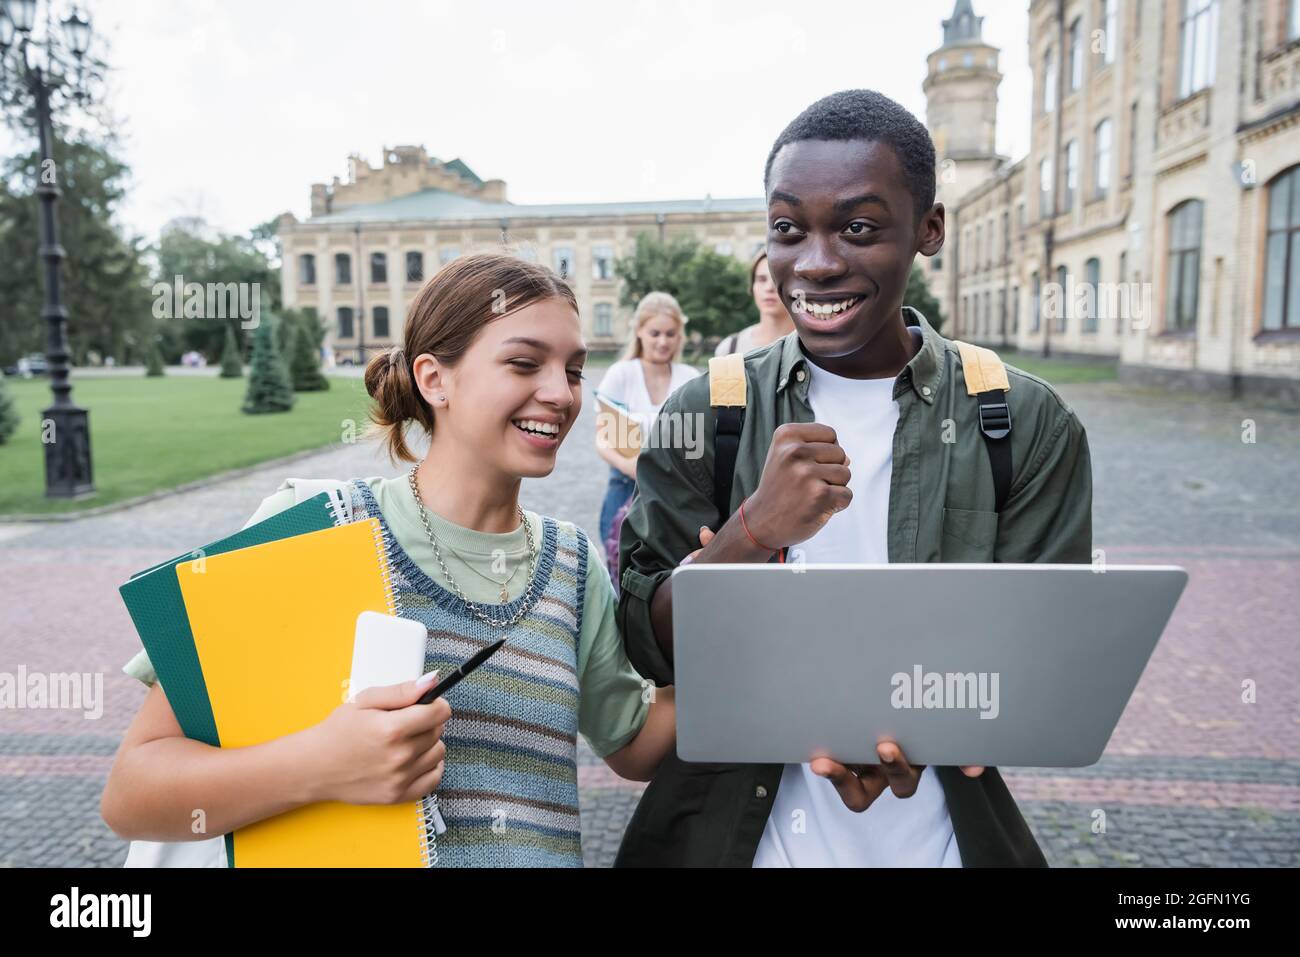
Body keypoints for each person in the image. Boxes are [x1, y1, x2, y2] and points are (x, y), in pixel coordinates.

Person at [614, 89, 1093, 867]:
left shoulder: (1024, 423)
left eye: (859, 227)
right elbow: (646, 642)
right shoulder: (710, 409)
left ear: (929, 228)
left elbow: (1039, 665)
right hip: (738, 837)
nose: (816, 261)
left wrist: (917, 728)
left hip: (939, 840)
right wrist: (752, 530)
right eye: (786, 228)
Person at [101, 252, 677, 867]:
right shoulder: (312, 526)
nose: (560, 394)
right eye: (523, 363)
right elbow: (134, 792)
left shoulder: (573, 562)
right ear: (434, 379)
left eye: (575, 370)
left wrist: (731, 599)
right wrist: (322, 765)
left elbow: (634, 746)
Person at [594, 292, 700, 581]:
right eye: (655, 333)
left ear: (680, 336)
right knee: (621, 576)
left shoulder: (688, 376)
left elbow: (696, 445)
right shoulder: (621, 374)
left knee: (671, 577)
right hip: (625, 487)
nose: (663, 341)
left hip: (675, 492)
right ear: (639, 331)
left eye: (671, 334)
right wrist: (639, 469)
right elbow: (603, 439)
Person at [714, 251, 795, 357]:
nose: (769, 288)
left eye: (777, 279)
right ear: (752, 287)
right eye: (762, 279)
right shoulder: (729, 349)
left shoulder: (815, 348)